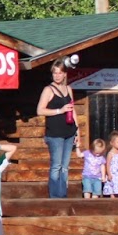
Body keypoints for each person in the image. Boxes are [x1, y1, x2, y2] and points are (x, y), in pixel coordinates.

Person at [36, 60, 77, 197]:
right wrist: (60, 110)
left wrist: (77, 131)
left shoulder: (68, 89)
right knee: (56, 165)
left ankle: (62, 195)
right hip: (55, 134)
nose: (57, 76)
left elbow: (73, 110)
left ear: (64, 74)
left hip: (69, 132)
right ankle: (54, 196)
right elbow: (40, 110)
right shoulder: (48, 90)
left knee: (65, 167)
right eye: (55, 73)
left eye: (60, 73)